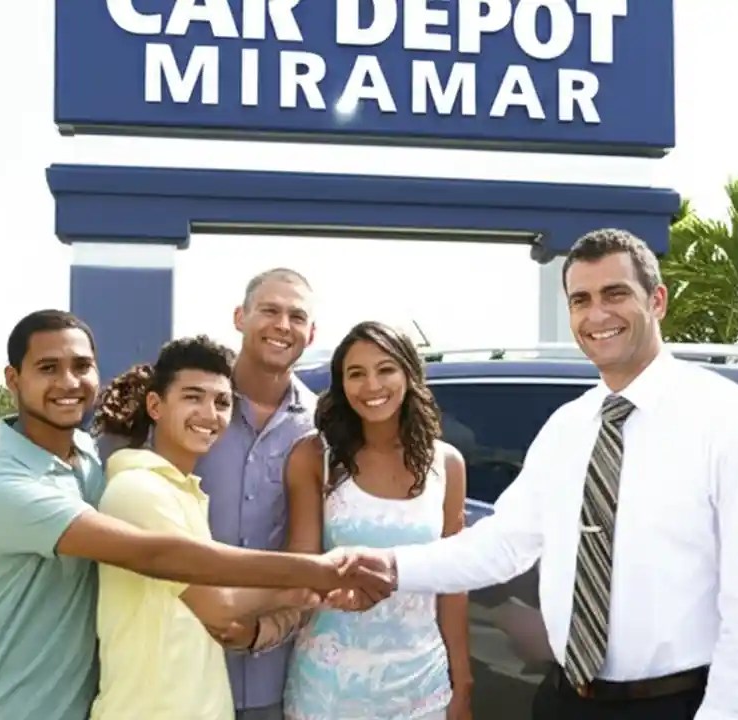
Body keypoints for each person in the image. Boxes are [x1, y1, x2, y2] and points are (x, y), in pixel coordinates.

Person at [331, 229, 738, 720]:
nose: (596, 315)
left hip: (676, 705)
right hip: (564, 700)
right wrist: (389, 566)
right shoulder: (568, 428)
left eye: (615, 294)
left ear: (657, 300)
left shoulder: (735, 423)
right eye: (581, 300)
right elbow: (502, 546)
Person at [0, 310, 390, 720]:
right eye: (48, 367)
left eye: (81, 365)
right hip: (12, 704)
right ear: (13, 378)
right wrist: (316, 573)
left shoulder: (87, 459)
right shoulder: (8, 485)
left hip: (81, 699)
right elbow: (159, 556)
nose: (68, 381)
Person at [87, 335, 322, 720]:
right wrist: (304, 584)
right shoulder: (139, 490)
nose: (209, 413)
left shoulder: (186, 491)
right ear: (155, 406)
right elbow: (218, 606)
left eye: (222, 402)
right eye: (193, 397)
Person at [282, 320, 473, 720]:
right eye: (356, 373)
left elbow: (453, 583)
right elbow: (300, 569)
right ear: (341, 383)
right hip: (329, 685)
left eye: (385, 369)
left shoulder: (447, 464)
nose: (371, 386)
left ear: (408, 374)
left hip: (422, 680)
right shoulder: (315, 458)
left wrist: (463, 681)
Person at [192, 267, 324, 720]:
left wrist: (263, 629)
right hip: (182, 660)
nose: (282, 325)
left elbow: (313, 551)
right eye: (269, 310)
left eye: (296, 315)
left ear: (311, 332)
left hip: (274, 671)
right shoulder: (190, 409)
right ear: (239, 317)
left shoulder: (323, 425)